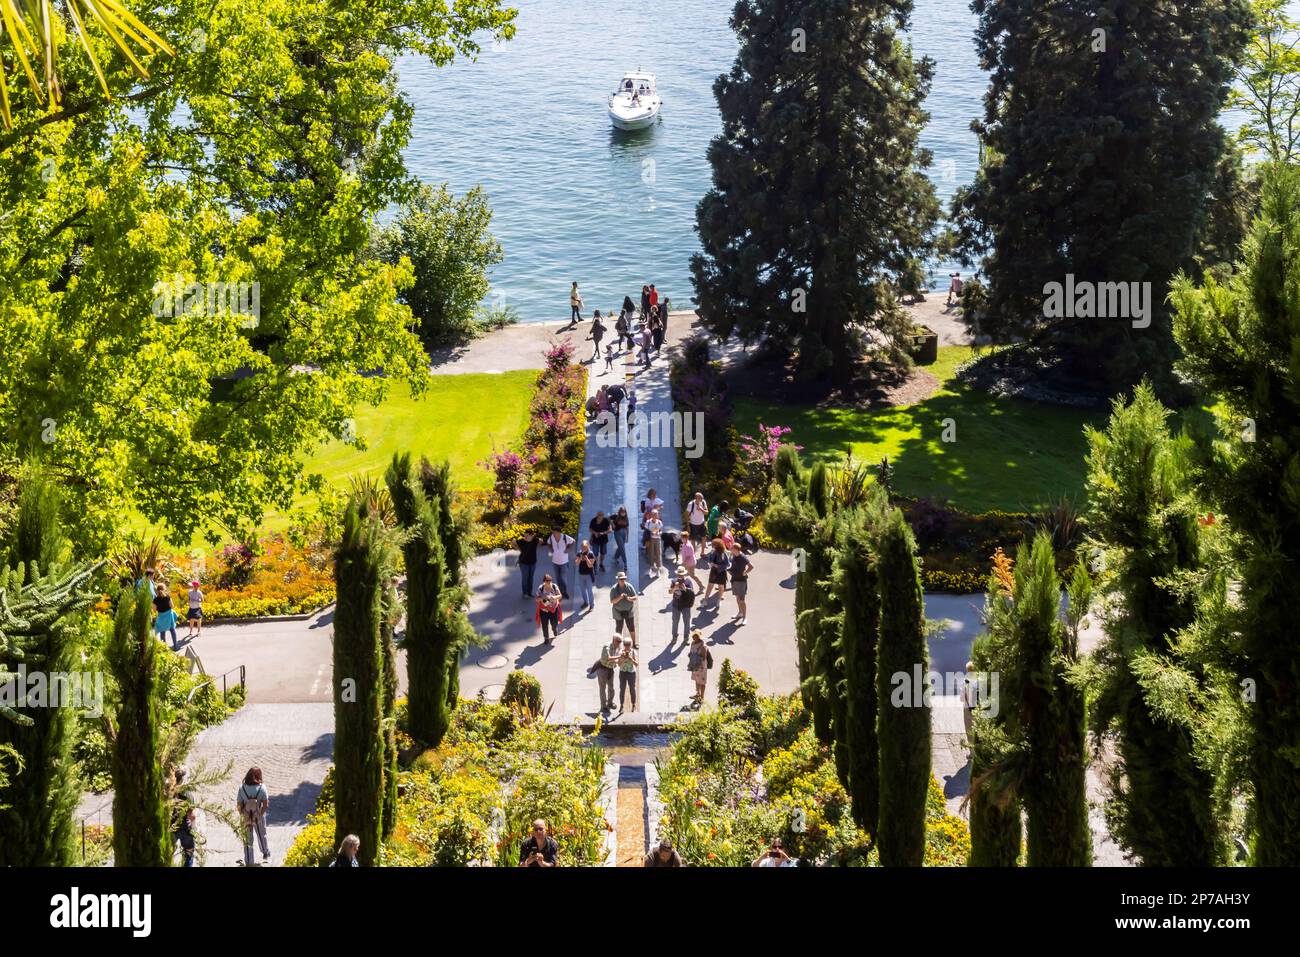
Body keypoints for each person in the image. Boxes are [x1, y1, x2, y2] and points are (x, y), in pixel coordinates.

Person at [237, 767, 271, 866]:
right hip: (258, 815)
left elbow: (239, 805)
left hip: (246, 816)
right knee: (261, 834)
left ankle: (248, 861)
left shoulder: (242, 788)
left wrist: (243, 815)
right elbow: (265, 805)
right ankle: (265, 852)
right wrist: (260, 814)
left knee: (247, 839)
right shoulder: (262, 788)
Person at [172, 766, 197, 867]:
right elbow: (192, 816)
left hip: (171, 828)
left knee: (167, 855)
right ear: (182, 778)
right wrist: (194, 828)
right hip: (186, 829)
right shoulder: (188, 794)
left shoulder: (168, 793)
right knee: (188, 856)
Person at [610, 570, 638, 647]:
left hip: (628, 611)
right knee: (619, 628)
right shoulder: (614, 589)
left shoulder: (629, 586)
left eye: (623, 579)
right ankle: (617, 644)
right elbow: (612, 601)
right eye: (621, 579)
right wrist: (620, 597)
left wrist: (629, 598)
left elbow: (635, 597)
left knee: (631, 627)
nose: (622, 581)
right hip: (618, 612)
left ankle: (634, 643)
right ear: (618, 580)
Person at [669, 566, 696, 642]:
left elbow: (692, 592)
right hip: (676, 605)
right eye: (679, 575)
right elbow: (670, 591)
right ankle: (674, 637)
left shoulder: (688, 582)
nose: (680, 577)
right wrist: (675, 587)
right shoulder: (674, 581)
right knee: (675, 622)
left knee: (687, 622)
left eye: (681, 575)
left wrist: (685, 589)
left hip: (686, 605)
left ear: (684, 575)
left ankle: (686, 638)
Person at [595, 635, 621, 712]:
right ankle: (603, 706)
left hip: (610, 669)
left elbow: (617, 654)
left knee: (611, 688)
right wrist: (619, 657)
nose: (619, 644)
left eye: (620, 642)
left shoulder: (617, 646)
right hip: (602, 669)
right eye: (618, 642)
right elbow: (609, 658)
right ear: (614, 640)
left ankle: (610, 703)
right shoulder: (606, 647)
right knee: (602, 688)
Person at [547, 526, 574, 600]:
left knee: (563, 579)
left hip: (564, 562)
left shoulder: (565, 537)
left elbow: (573, 541)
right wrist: (551, 548)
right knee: (558, 578)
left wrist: (568, 549)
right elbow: (548, 542)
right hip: (555, 562)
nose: (553, 533)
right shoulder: (551, 537)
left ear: (558, 532)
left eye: (554, 531)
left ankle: (564, 592)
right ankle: (560, 593)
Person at [728, 543, 752, 625]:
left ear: (737, 549)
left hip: (741, 581)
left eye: (732, 549)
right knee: (737, 598)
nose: (730, 550)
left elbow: (751, 566)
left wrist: (745, 572)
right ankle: (740, 613)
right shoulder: (734, 556)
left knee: (742, 600)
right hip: (734, 579)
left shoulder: (743, 557)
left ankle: (745, 617)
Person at [535, 574, 563, 644]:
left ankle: (554, 629)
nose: (549, 582)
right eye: (547, 581)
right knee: (544, 625)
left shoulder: (554, 586)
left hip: (553, 609)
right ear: (544, 581)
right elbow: (536, 599)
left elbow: (560, 596)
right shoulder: (540, 588)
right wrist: (543, 598)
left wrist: (554, 597)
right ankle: (546, 638)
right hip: (544, 610)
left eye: (550, 580)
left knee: (554, 623)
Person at [687, 630, 712, 705]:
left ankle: (702, 697)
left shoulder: (703, 646)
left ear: (699, 637)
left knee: (702, 682)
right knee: (697, 680)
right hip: (694, 664)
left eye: (697, 636)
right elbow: (691, 652)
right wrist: (690, 655)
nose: (695, 637)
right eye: (694, 636)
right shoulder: (692, 643)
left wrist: (696, 656)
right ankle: (697, 694)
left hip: (701, 667)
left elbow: (704, 657)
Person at [153, 583, 180, 650]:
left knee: (162, 632)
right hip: (169, 617)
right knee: (172, 631)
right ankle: (176, 646)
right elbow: (172, 606)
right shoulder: (167, 597)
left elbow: (154, 610)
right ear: (164, 589)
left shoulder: (155, 600)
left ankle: (164, 649)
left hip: (161, 617)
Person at [704, 539, 730, 605]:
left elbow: (727, 564)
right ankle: (705, 600)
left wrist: (718, 566)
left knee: (721, 586)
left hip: (721, 572)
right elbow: (709, 559)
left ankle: (719, 600)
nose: (712, 546)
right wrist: (711, 563)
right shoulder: (713, 551)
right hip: (713, 571)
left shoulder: (723, 553)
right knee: (710, 585)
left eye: (714, 545)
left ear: (718, 546)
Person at [516, 530, 540, 599]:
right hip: (523, 563)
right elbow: (513, 542)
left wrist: (536, 546)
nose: (525, 536)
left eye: (527, 535)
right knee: (525, 578)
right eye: (524, 535)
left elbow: (541, 541)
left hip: (533, 562)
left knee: (530, 578)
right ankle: (525, 593)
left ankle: (530, 593)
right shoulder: (521, 541)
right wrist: (519, 550)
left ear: (531, 535)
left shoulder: (535, 540)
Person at [961, 661, 979, 744]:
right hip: (978, 709)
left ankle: (972, 752)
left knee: (969, 729)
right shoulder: (979, 682)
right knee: (978, 730)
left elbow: (961, 699)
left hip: (967, 708)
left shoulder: (965, 682)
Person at [575, 540, 597, 611]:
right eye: (582, 547)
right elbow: (577, 564)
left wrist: (587, 559)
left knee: (589, 590)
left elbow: (590, 565)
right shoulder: (579, 553)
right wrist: (580, 558)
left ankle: (592, 605)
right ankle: (585, 602)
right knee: (582, 590)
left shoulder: (590, 554)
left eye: (585, 547)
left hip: (588, 575)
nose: (583, 548)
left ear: (588, 547)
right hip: (581, 574)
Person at [617, 638, 638, 712]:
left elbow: (636, 664)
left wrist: (630, 658)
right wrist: (623, 658)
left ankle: (633, 704)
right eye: (625, 644)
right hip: (623, 672)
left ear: (631, 645)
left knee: (632, 689)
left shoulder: (633, 652)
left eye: (628, 644)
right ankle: (621, 705)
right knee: (622, 689)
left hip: (631, 673)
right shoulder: (620, 652)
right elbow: (619, 665)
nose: (627, 646)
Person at [644, 508, 665, 575]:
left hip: (658, 539)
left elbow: (661, 531)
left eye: (656, 514)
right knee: (651, 553)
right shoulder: (648, 522)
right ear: (651, 515)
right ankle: (650, 568)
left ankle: (658, 570)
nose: (655, 516)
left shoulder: (659, 522)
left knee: (658, 553)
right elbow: (646, 531)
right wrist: (651, 533)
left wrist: (658, 533)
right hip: (650, 539)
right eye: (653, 514)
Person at [612, 506, 631, 571]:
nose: (623, 513)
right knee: (622, 548)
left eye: (624, 512)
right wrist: (612, 524)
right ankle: (625, 562)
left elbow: (627, 528)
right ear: (619, 512)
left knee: (621, 547)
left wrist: (627, 537)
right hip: (617, 533)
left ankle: (616, 557)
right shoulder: (616, 516)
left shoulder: (626, 518)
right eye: (622, 512)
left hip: (624, 533)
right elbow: (608, 518)